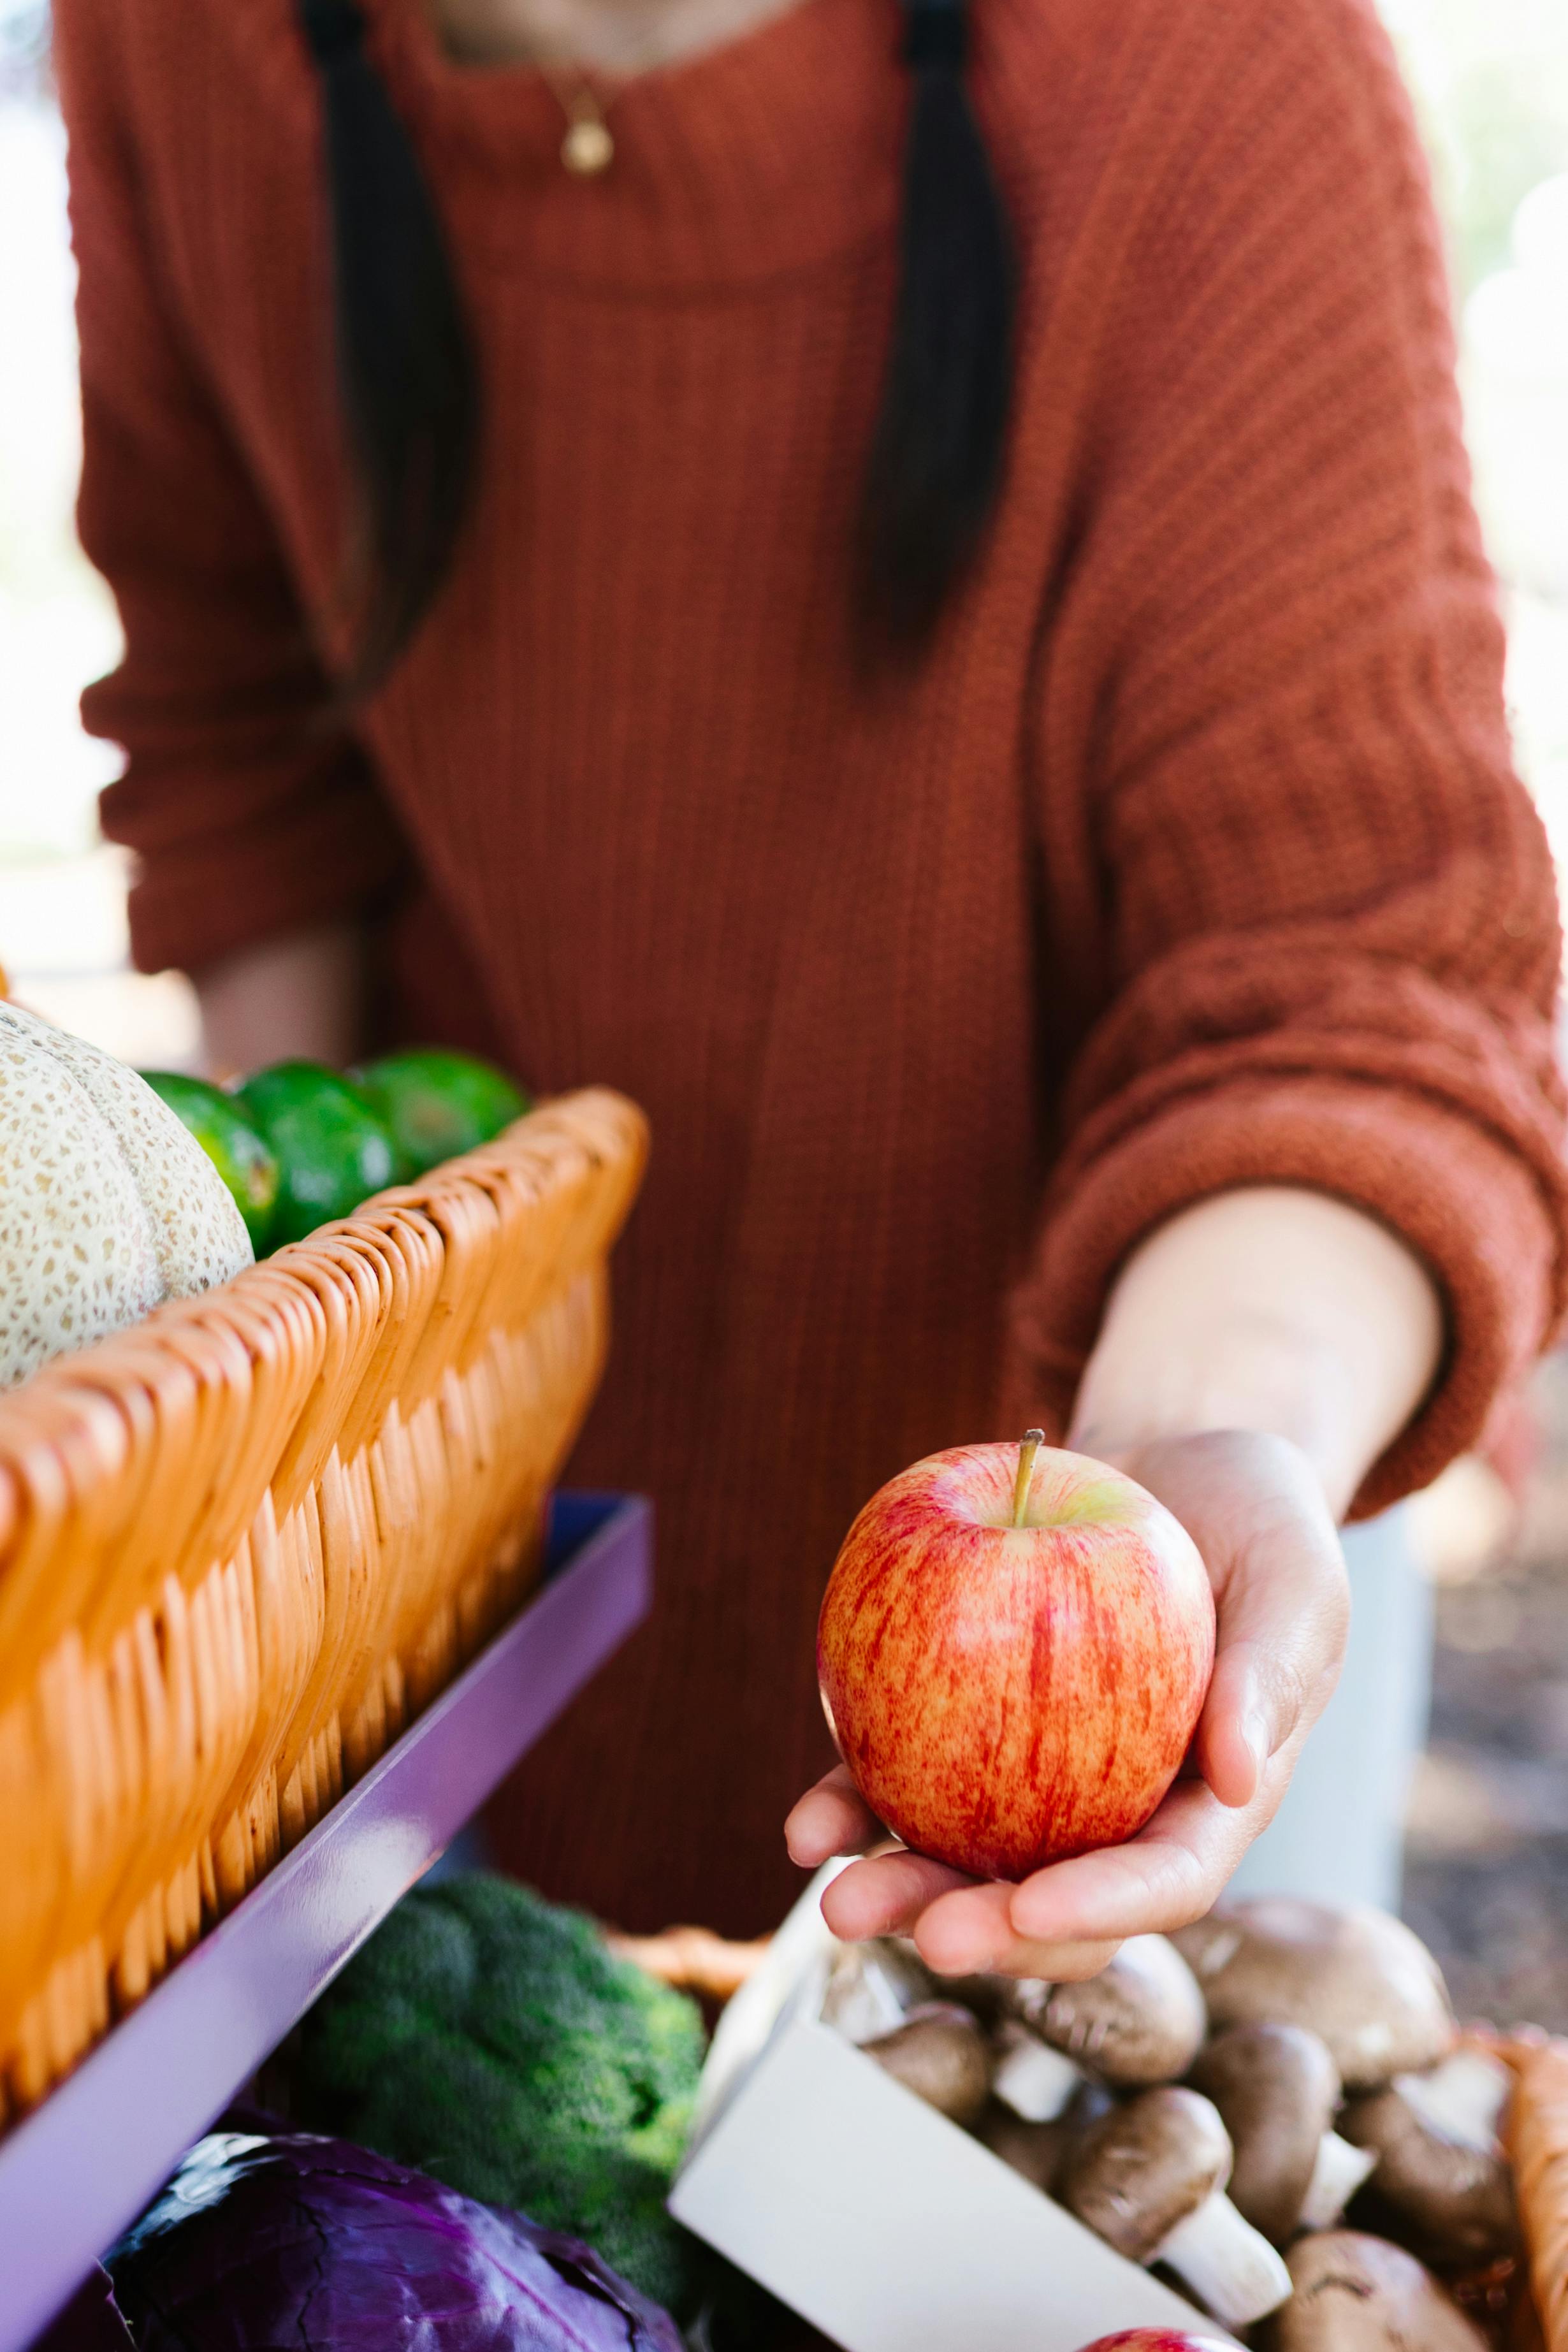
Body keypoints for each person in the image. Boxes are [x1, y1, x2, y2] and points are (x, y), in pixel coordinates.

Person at [52, 0, 1566, 1981]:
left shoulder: (1210, 72)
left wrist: (1195, 1452)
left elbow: (1356, 977)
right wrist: (326, 1426)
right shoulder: (178, 46)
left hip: (1129, 1560)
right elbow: (243, 750)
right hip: (466, 1591)